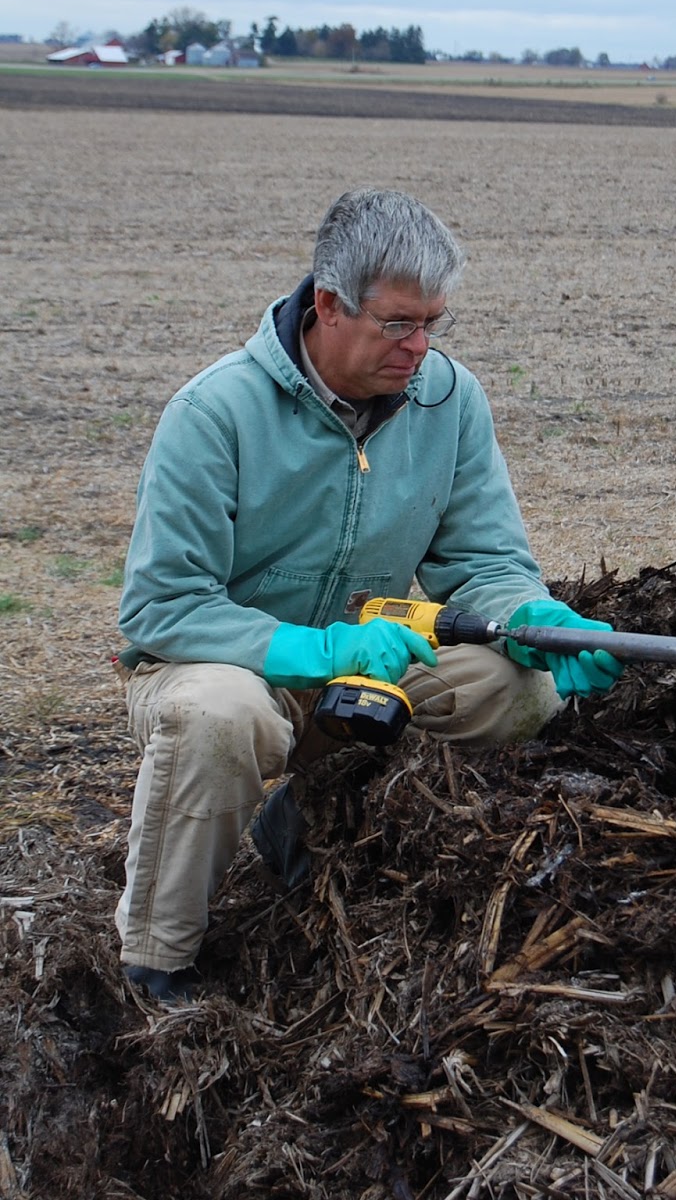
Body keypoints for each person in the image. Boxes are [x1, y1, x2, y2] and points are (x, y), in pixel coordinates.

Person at [115, 188, 622, 1002]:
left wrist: (532, 617)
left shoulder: (447, 401)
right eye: (397, 324)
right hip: (214, 666)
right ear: (327, 304)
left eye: (433, 324)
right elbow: (163, 608)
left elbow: (484, 559)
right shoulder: (215, 413)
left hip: (363, 669)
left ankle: (306, 824)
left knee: (510, 688)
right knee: (224, 715)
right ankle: (157, 962)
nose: (420, 347)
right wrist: (320, 651)